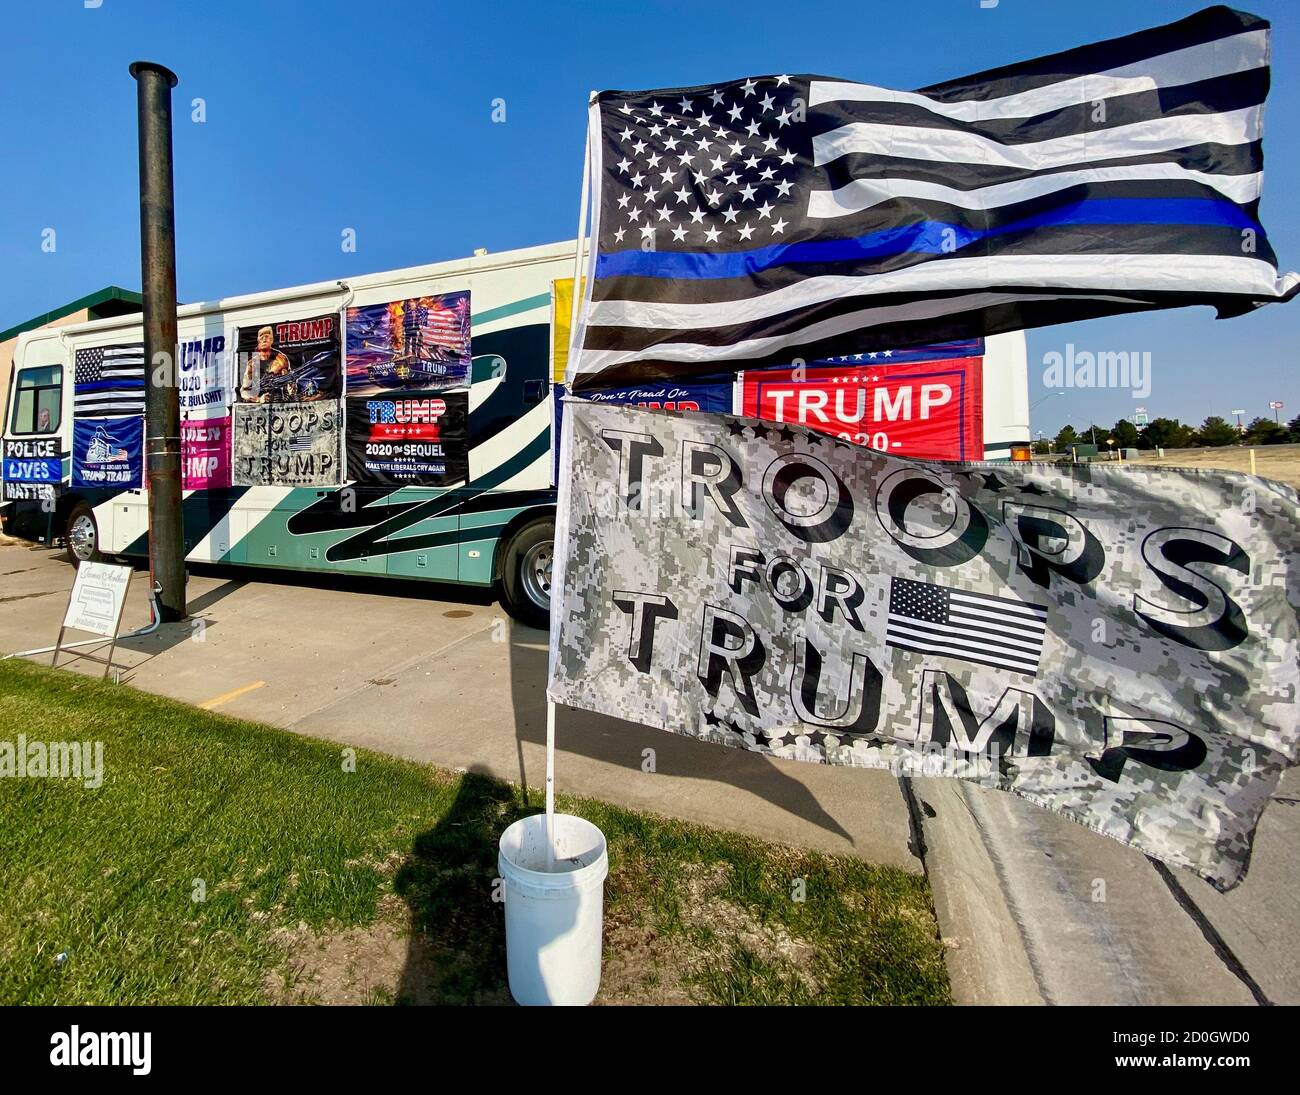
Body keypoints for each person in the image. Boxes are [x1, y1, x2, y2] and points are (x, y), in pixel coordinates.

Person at [240, 326, 292, 402]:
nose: (264, 339)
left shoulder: (281, 359)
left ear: (272, 340)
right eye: (262, 337)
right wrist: (258, 399)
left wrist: (291, 388)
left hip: (280, 402)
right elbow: (244, 391)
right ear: (258, 340)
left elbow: (289, 382)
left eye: (267, 336)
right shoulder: (252, 364)